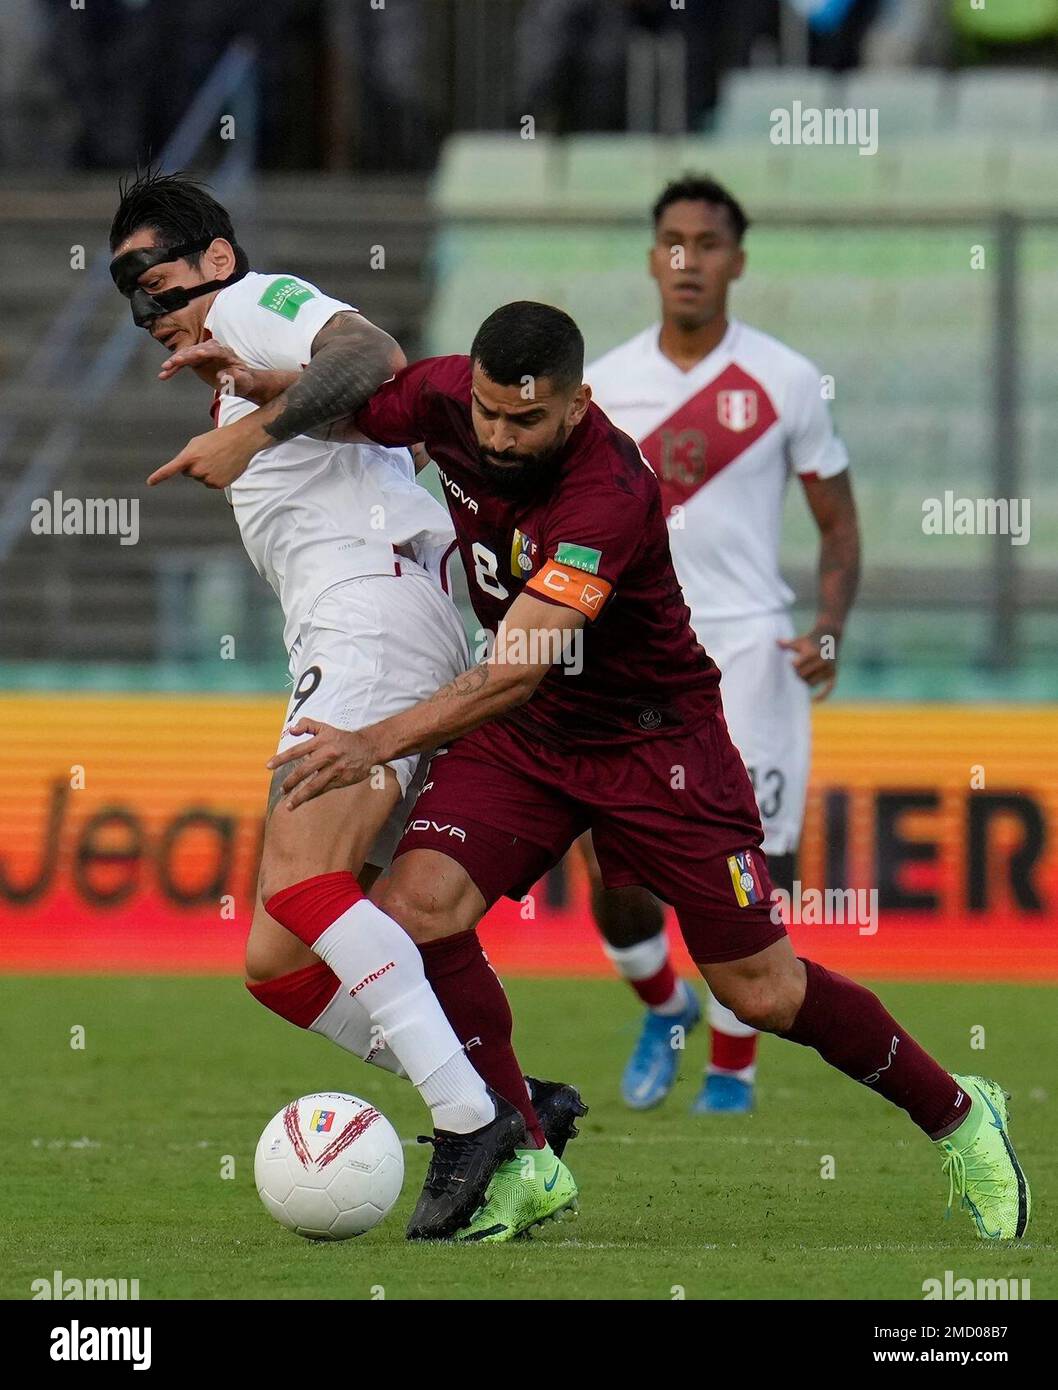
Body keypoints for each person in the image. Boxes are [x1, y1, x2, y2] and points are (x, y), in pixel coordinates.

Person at [156, 300, 1030, 1245]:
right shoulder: (449, 395)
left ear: (577, 405)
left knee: (760, 991)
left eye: (525, 420)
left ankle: (961, 1114)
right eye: (489, 412)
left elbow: (516, 668)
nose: (499, 436)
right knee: (418, 909)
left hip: (654, 745)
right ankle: (526, 1159)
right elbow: (355, 402)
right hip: (533, 736)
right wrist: (266, 391)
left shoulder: (608, 491)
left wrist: (374, 742)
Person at [111, 171, 582, 1242]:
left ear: (215, 259)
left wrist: (251, 432)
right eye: (127, 293)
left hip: (368, 621)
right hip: (387, 623)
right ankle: (511, 1105)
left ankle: (474, 1121)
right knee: (278, 961)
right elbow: (368, 409)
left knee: (301, 883)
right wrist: (264, 402)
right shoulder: (250, 354)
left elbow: (372, 356)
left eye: (155, 279)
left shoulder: (252, 299)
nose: (146, 308)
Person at [581, 173, 860, 1114]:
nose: (688, 259)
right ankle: (666, 1005)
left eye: (708, 244)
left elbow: (839, 525)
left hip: (751, 650)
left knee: (759, 867)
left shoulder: (785, 379)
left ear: (737, 261)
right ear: (651, 257)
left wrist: (828, 629)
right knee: (615, 874)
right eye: (674, 241)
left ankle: (734, 1068)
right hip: (631, 654)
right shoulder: (605, 386)